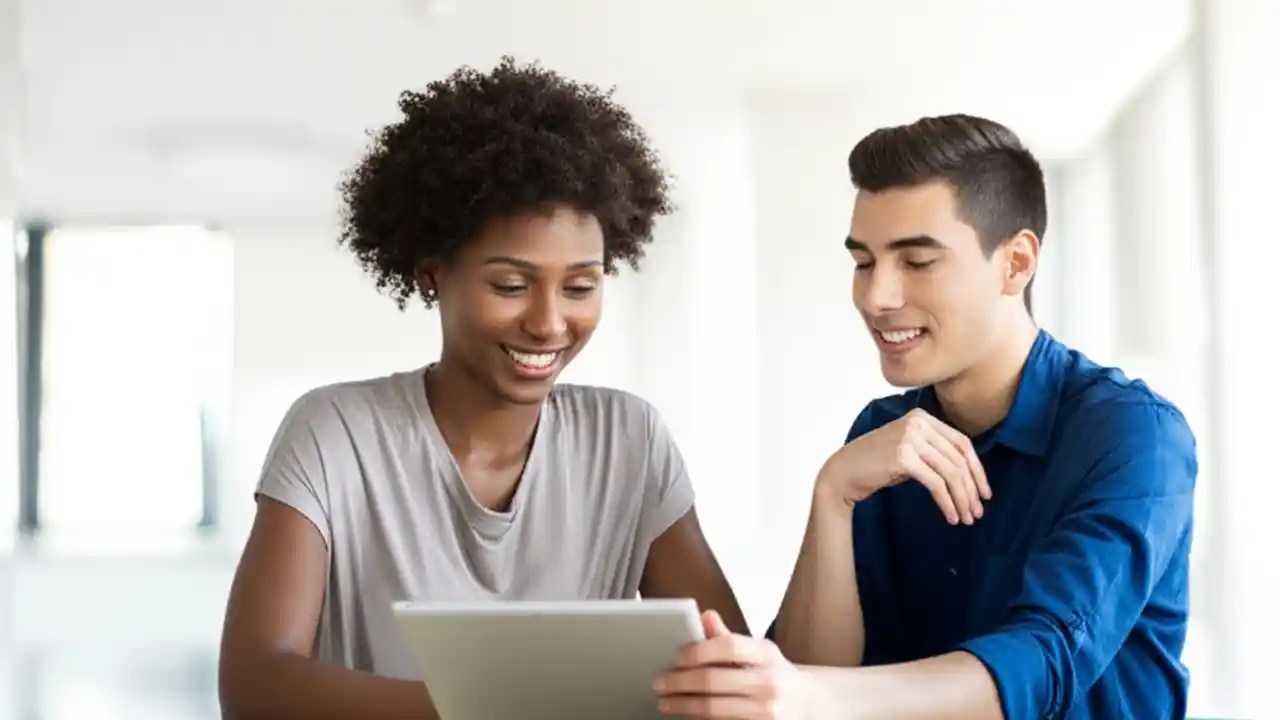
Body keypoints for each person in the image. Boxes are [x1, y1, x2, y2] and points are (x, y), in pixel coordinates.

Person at [217, 56, 748, 719]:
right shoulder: (334, 433)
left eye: (581, 285)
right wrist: (496, 708)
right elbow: (254, 685)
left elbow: (733, 671)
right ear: (433, 273)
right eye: (511, 285)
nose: (550, 322)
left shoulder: (629, 441)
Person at [653, 114, 1197, 719]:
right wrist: (831, 496)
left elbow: (1043, 662)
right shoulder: (879, 436)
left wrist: (806, 692)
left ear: (1015, 263)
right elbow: (807, 685)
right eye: (864, 262)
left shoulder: (1134, 434)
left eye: (916, 263)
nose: (877, 297)